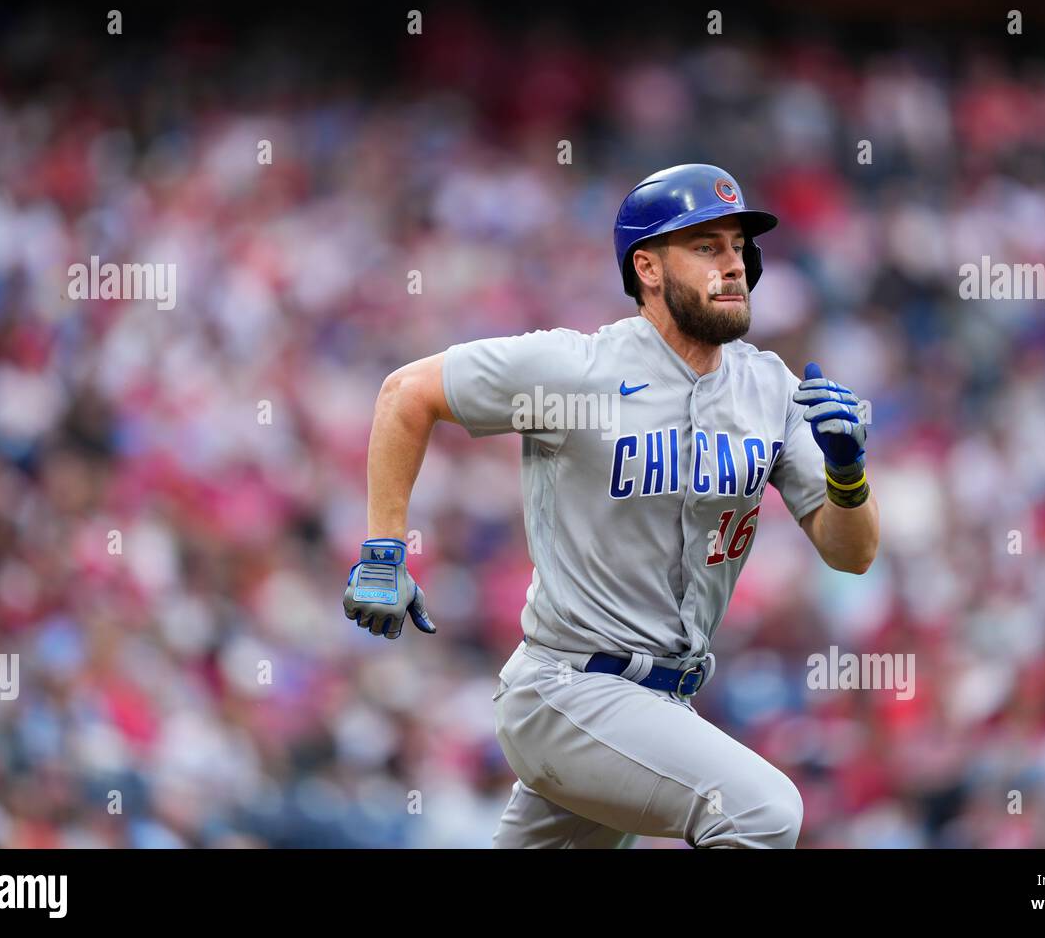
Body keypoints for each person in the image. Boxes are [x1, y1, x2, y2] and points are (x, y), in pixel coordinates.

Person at [344, 164, 879, 848]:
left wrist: (846, 472)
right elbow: (405, 394)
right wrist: (385, 548)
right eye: (707, 247)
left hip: (656, 707)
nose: (734, 264)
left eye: (739, 246)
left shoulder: (769, 389)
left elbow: (852, 551)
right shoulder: (579, 370)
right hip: (566, 692)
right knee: (761, 812)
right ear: (649, 268)